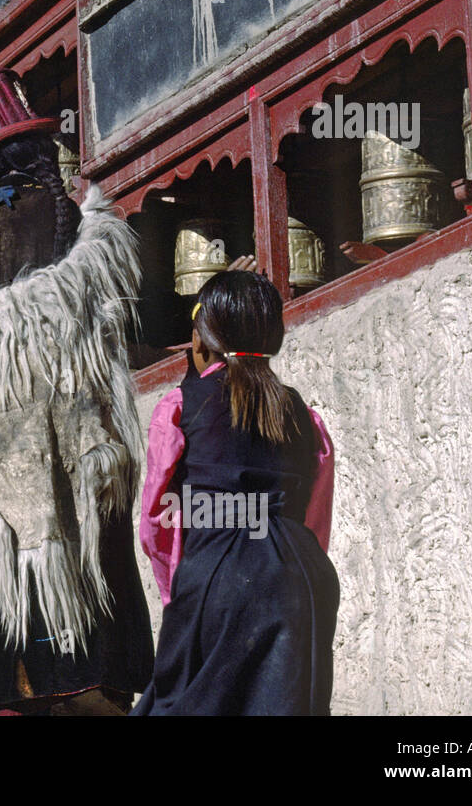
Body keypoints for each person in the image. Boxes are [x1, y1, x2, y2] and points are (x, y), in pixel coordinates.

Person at [0, 68, 154, 714]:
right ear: (38, 150)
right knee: (83, 586)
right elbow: (109, 328)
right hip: (69, 450)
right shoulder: (70, 217)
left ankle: (4, 685)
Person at [134, 269, 338, 715]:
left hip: (216, 575)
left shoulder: (179, 407)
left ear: (201, 342)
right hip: (301, 578)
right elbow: (315, 518)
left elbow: (158, 522)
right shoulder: (304, 414)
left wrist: (180, 592)